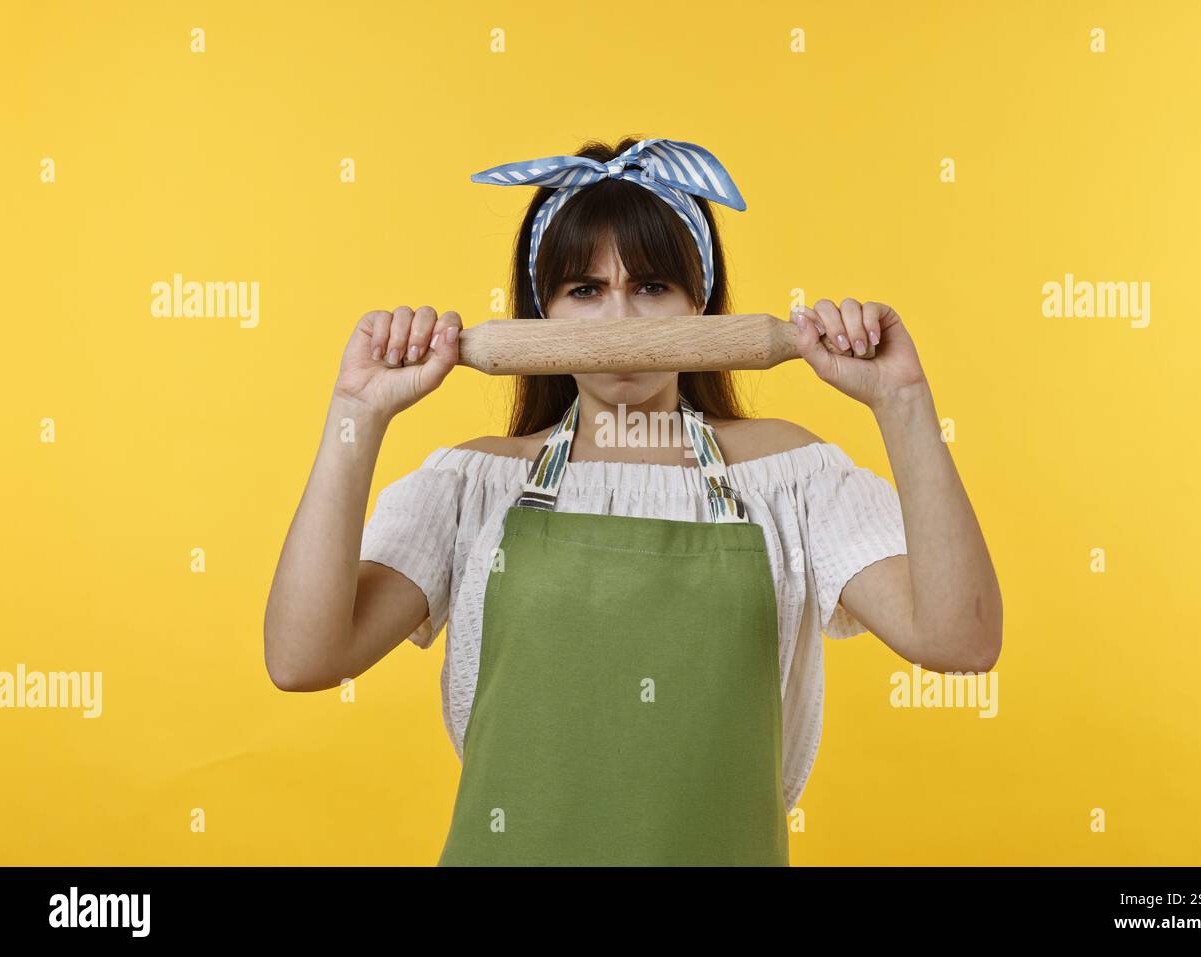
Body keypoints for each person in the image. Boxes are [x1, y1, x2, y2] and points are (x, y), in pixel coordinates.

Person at [263, 136, 1002, 866]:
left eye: (651, 287)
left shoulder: (788, 473)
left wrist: (903, 404)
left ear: (700, 303)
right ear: (539, 314)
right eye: (584, 290)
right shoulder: (475, 483)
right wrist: (357, 412)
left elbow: (959, 639)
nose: (618, 322)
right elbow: (303, 656)